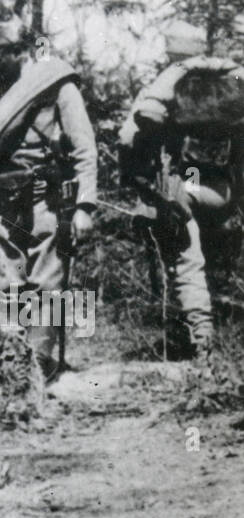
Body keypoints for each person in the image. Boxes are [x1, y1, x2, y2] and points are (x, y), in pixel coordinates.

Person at [0, 16, 97, 383]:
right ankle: (12, 369)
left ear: (20, 51)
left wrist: (84, 206)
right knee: (6, 284)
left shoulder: (53, 85)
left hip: (45, 199)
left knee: (47, 282)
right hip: (0, 202)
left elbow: (83, 148)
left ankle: (41, 369)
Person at [118, 20, 244, 359]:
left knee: (186, 259)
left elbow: (128, 137)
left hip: (190, 186)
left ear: (172, 55)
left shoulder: (170, 91)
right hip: (228, 189)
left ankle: (201, 339)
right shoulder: (230, 87)